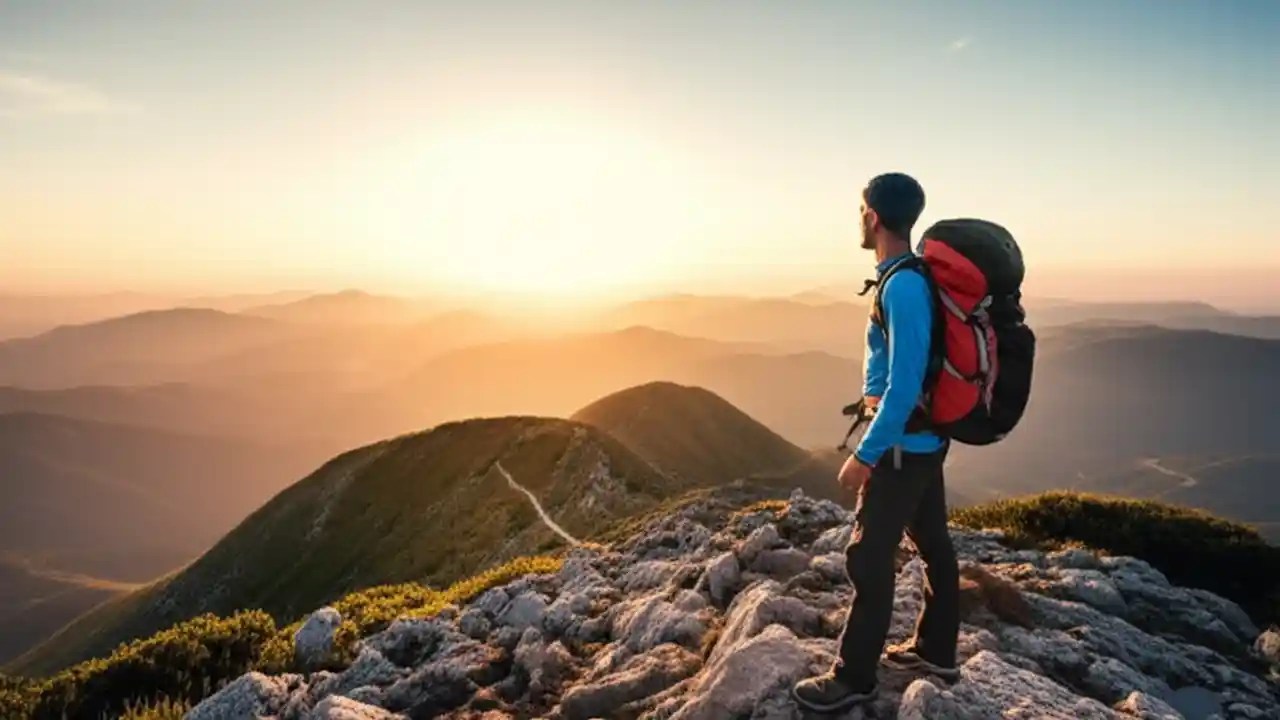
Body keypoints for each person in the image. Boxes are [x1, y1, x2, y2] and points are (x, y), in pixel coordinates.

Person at [792, 173, 961, 713]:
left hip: (901, 448)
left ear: (874, 217)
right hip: (922, 441)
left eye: (860, 209)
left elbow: (904, 385)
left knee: (868, 558)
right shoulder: (905, 277)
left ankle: (854, 677)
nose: (859, 218)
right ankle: (936, 650)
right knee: (933, 542)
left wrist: (864, 457)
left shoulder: (905, 286)